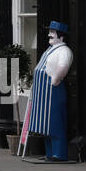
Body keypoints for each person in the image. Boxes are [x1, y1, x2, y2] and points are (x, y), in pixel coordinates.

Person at [27, 20, 73, 162]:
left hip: (53, 92)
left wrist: (55, 80)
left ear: (61, 36)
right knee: (44, 126)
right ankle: (49, 153)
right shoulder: (50, 50)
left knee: (55, 123)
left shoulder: (64, 51)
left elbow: (63, 67)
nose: (49, 35)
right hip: (42, 93)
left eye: (53, 32)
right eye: (50, 32)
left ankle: (59, 154)